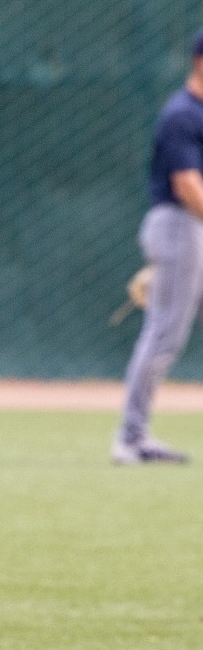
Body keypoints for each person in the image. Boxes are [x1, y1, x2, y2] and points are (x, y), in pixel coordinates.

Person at [112, 28, 203, 465]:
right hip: (179, 225)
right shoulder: (182, 114)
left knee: (168, 332)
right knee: (165, 332)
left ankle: (134, 434)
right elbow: (187, 185)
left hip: (192, 229)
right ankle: (131, 437)